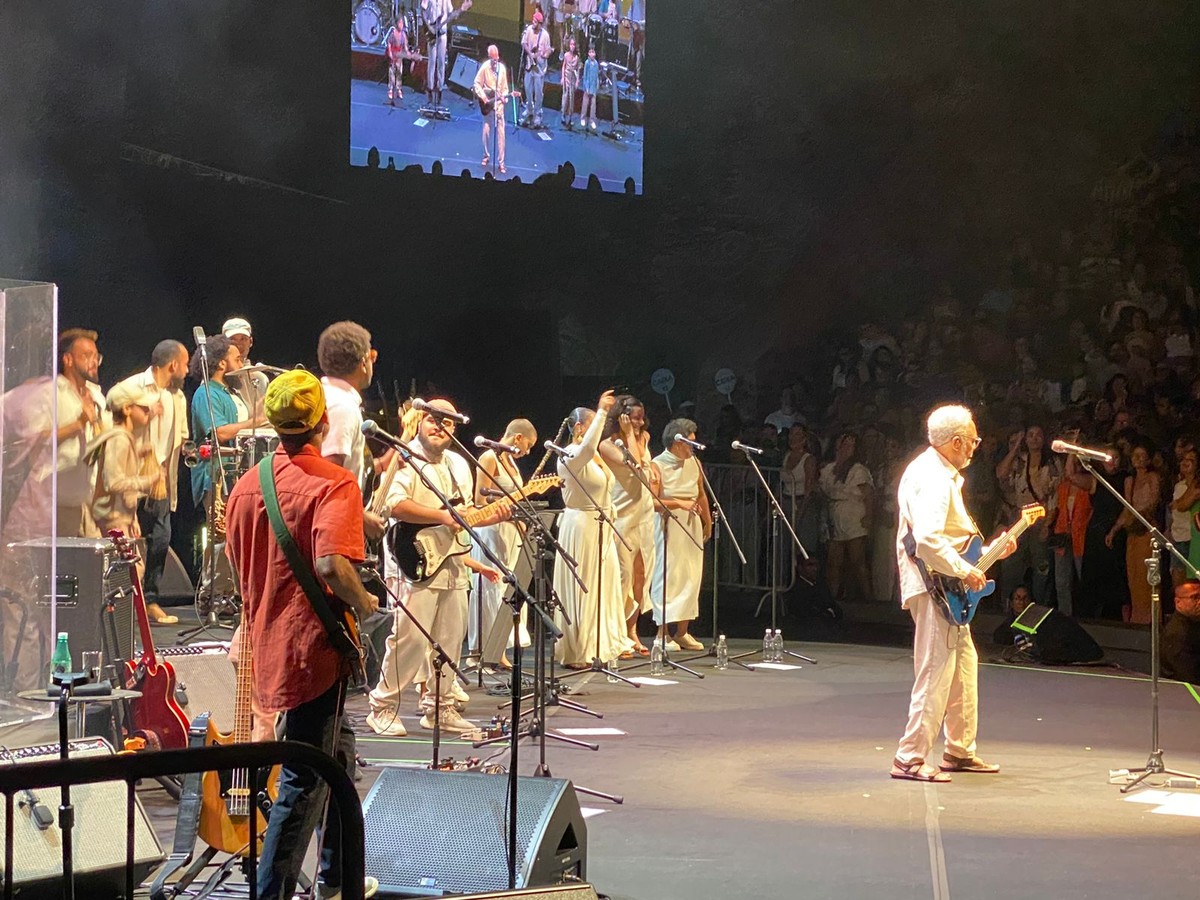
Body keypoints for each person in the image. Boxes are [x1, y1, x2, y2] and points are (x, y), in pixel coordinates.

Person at [224, 369, 379, 900]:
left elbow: (240, 568)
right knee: (304, 779)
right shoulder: (334, 483)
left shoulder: (246, 486)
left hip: (269, 643)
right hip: (313, 651)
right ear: (322, 421)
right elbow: (332, 565)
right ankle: (271, 894)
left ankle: (336, 879)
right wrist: (365, 602)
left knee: (338, 759)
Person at [891, 404, 1015, 783]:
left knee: (962, 666)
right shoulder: (932, 477)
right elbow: (928, 539)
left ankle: (959, 749)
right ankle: (909, 757)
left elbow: (948, 539)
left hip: (941, 583)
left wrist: (988, 553)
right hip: (936, 585)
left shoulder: (935, 472)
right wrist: (964, 570)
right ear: (957, 442)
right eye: (973, 441)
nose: (976, 447)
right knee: (935, 669)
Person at [366, 400, 506, 736]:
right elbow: (393, 505)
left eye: (447, 423)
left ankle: (440, 707)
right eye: (433, 420)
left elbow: (464, 514)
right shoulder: (405, 457)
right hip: (413, 560)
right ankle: (383, 706)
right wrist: (442, 516)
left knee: (450, 639)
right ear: (421, 422)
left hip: (452, 560)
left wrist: (494, 515)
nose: (439, 427)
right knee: (410, 638)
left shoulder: (459, 463)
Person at [554, 392, 634, 668]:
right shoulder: (569, 455)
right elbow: (587, 448)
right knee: (585, 587)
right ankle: (580, 648)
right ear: (579, 428)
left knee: (605, 585)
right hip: (581, 526)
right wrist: (601, 411)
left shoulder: (594, 456)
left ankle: (602, 643)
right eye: (592, 427)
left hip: (601, 526)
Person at [111, 340, 190, 609]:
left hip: (158, 480)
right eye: (185, 364)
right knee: (126, 538)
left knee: (161, 538)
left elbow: (179, 437)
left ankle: (150, 600)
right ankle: (121, 602)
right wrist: (145, 413)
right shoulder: (130, 388)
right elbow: (111, 422)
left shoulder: (177, 397)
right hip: (129, 477)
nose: (187, 371)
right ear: (173, 365)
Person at [88, 382, 172, 620]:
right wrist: (149, 480)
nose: (148, 412)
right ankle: (114, 629)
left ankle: (118, 629)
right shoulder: (119, 439)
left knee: (130, 571)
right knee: (127, 573)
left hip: (119, 518)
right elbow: (114, 482)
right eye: (143, 408)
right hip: (111, 519)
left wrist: (132, 516)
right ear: (127, 409)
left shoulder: (124, 438)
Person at [469, 419, 538, 666]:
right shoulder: (489, 457)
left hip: (509, 532)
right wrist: (506, 513)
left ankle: (500, 647)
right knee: (491, 587)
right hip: (491, 530)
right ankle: (484, 650)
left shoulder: (511, 463)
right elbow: (479, 501)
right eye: (528, 445)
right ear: (518, 437)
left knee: (507, 588)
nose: (527, 452)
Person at [316, 321, 389, 541]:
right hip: (334, 530)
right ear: (364, 361)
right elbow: (326, 475)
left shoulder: (326, 395)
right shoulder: (342, 406)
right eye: (372, 356)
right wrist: (361, 517)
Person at [599, 396, 657, 655]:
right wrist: (629, 435)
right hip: (622, 514)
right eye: (635, 418)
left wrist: (637, 436)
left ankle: (632, 629)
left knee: (642, 573)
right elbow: (634, 463)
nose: (640, 423)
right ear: (621, 418)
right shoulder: (607, 445)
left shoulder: (644, 437)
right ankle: (618, 631)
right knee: (623, 574)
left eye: (642, 418)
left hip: (643, 512)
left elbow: (646, 468)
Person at [648, 420, 711, 651]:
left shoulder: (694, 462)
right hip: (668, 524)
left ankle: (682, 632)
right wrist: (678, 503)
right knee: (667, 576)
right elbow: (652, 501)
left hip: (691, 522)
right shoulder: (657, 464)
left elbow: (701, 493)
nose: (693, 446)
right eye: (689, 442)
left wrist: (707, 521)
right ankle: (662, 633)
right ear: (677, 442)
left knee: (691, 575)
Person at [189, 334, 263, 510]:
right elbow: (220, 432)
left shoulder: (229, 392)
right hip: (216, 476)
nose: (241, 365)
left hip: (235, 473)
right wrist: (255, 422)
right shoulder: (206, 393)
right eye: (237, 360)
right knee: (222, 526)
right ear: (222, 364)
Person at [55, 329, 111, 537]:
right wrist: (78, 423)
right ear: (68, 359)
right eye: (87, 356)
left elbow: (101, 444)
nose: (94, 362)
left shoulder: (97, 396)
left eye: (96, 356)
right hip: (60, 502)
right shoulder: (53, 394)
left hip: (90, 500)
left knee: (96, 556)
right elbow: (37, 440)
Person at [1108, 442, 1161, 625]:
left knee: (1148, 576)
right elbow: (1127, 508)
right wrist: (1114, 530)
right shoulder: (1129, 481)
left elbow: (1153, 503)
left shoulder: (1153, 477)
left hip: (1147, 530)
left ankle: (1151, 619)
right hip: (1133, 533)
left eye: (1142, 455)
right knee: (1134, 576)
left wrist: (1141, 518)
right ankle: (1138, 618)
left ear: (1149, 458)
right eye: (1135, 455)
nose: (1138, 458)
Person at [819, 432, 873, 605]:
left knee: (857, 560)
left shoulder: (858, 470)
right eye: (844, 443)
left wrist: (869, 516)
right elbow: (821, 490)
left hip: (853, 516)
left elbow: (868, 495)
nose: (846, 448)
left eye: (851, 445)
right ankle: (832, 599)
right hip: (835, 516)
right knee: (834, 561)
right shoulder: (829, 469)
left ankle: (869, 600)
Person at [1049, 452, 1092, 618]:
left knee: (1082, 577)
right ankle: (1064, 615)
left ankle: (1085, 616)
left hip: (1081, 536)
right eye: (1073, 463)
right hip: (1062, 535)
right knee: (1061, 580)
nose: (1075, 466)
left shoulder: (1088, 487)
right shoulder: (1063, 486)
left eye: (1078, 463)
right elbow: (1057, 509)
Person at [422, 0, 473, 109]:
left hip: (443, 33)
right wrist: (429, 27)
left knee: (441, 63)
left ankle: (440, 90)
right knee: (432, 63)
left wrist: (461, 10)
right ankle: (430, 91)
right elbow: (423, 12)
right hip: (431, 31)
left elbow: (451, 14)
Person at [221, 317, 269, 421]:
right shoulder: (215, 377)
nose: (238, 344)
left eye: (243, 339)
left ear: (251, 341)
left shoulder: (260, 378)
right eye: (232, 340)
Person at [473, 45, 509, 174]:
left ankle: (501, 162)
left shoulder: (502, 69)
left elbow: (505, 88)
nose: (495, 62)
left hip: (499, 106)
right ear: (489, 57)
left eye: (497, 58)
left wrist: (505, 97)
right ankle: (486, 156)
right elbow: (476, 83)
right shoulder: (484, 67)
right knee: (487, 131)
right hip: (488, 106)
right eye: (493, 59)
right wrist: (483, 97)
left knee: (501, 135)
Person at [521, 12, 551, 127]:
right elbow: (524, 43)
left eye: (535, 22)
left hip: (539, 67)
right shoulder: (528, 30)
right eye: (533, 21)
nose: (533, 23)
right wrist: (530, 54)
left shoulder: (545, 35)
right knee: (527, 88)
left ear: (540, 24)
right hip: (529, 65)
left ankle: (537, 113)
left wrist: (543, 55)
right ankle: (529, 109)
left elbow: (548, 50)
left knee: (538, 92)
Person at [385, 16, 412, 104]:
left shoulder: (403, 35)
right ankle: (390, 89)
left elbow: (405, 46)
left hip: (399, 55)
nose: (401, 25)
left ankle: (398, 89)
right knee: (392, 73)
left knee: (399, 73)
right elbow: (389, 43)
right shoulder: (393, 33)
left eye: (402, 23)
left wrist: (408, 53)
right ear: (396, 24)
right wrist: (390, 53)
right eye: (400, 23)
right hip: (393, 54)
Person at [559, 37, 581, 128]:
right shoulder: (566, 55)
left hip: (573, 78)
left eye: (574, 44)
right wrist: (562, 77)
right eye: (571, 44)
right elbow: (564, 66)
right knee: (565, 96)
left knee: (571, 97)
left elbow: (578, 70)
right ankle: (563, 114)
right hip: (566, 77)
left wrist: (577, 81)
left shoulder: (577, 58)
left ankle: (570, 116)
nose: (572, 46)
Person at [579, 46, 599, 132]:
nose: (591, 54)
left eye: (593, 52)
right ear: (588, 53)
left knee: (593, 105)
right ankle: (583, 118)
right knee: (585, 103)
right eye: (590, 52)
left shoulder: (596, 63)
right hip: (587, 86)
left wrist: (597, 85)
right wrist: (586, 87)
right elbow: (585, 75)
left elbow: (597, 75)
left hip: (593, 87)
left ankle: (592, 120)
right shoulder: (587, 63)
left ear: (595, 54)